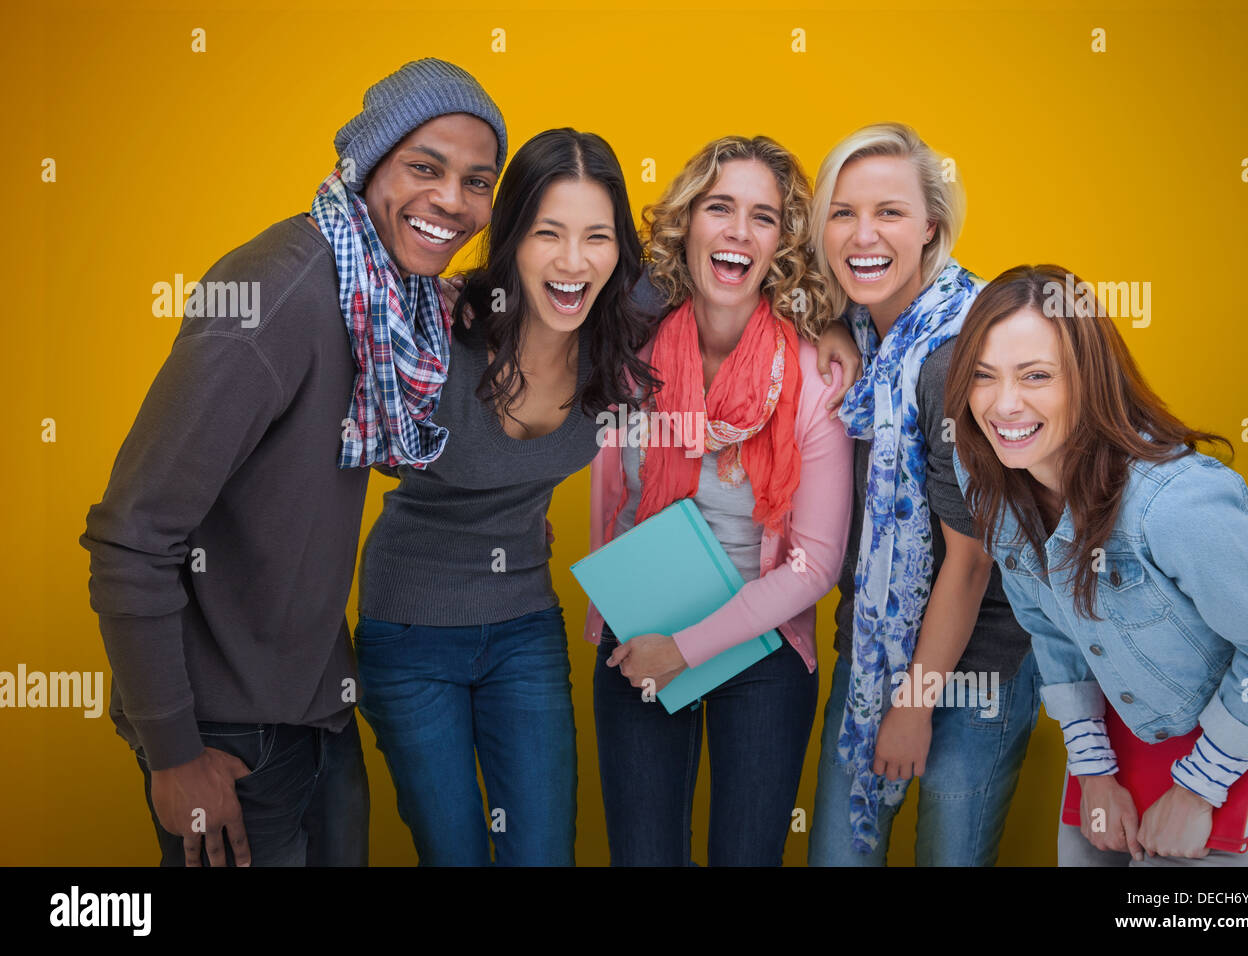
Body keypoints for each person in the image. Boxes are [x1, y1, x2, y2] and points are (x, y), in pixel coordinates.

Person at [80, 58, 507, 866]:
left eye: (477, 182)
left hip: (314, 711)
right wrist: (174, 754)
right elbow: (131, 537)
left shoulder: (390, 299)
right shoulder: (278, 295)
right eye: (425, 167)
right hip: (225, 737)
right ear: (366, 163)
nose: (452, 201)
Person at [355, 128, 659, 866]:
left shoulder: (624, 327)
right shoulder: (436, 326)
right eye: (547, 232)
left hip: (523, 623)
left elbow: (743, 284)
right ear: (511, 236)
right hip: (409, 627)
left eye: (597, 236)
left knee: (543, 852)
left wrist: (834, 340)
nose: (572, 261)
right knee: (455, 852)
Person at [946, 263, 1248, 866]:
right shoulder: (991, 477)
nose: (1004, 405)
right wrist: (1093, 772)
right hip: (1128, 735)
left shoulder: (1176, 503)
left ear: (1088, 381)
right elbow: (1051, 628)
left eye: (1036, 376)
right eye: (983, 376)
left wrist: (1196, 790)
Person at [586, 135, 853, 866]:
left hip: (764, 647)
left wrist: (689, 649)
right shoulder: (626, 350)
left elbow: (817, 563)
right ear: (689, 224)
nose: (738, 230)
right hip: (644, 626)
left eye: (762, 217)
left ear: (780, 245)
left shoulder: (812, 374)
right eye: (720, 207)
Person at [807, 123, 1040, 866]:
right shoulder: (853, 333)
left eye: (890, 212)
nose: (862, 234)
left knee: (947, 848)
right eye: (843, 212)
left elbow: (971, 562)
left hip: (981, 655)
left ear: (931, 226)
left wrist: (911, 706)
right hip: (873, 643)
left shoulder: (957, 357)